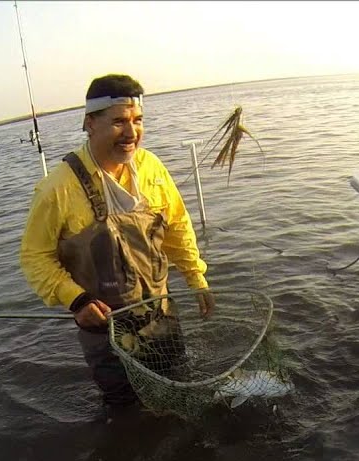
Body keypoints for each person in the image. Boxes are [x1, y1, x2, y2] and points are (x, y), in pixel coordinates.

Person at [19, 74, 214, 409]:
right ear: (89, 123)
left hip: (161, 316)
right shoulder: (58, 189)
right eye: (119, 122)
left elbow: (177, 225)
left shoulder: (150, 166)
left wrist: (196, 277)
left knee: (180, 388)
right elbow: (34, 256)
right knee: (126, 409)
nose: (131, 132)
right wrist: (76, 301)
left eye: (138, 121)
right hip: (107, 333)